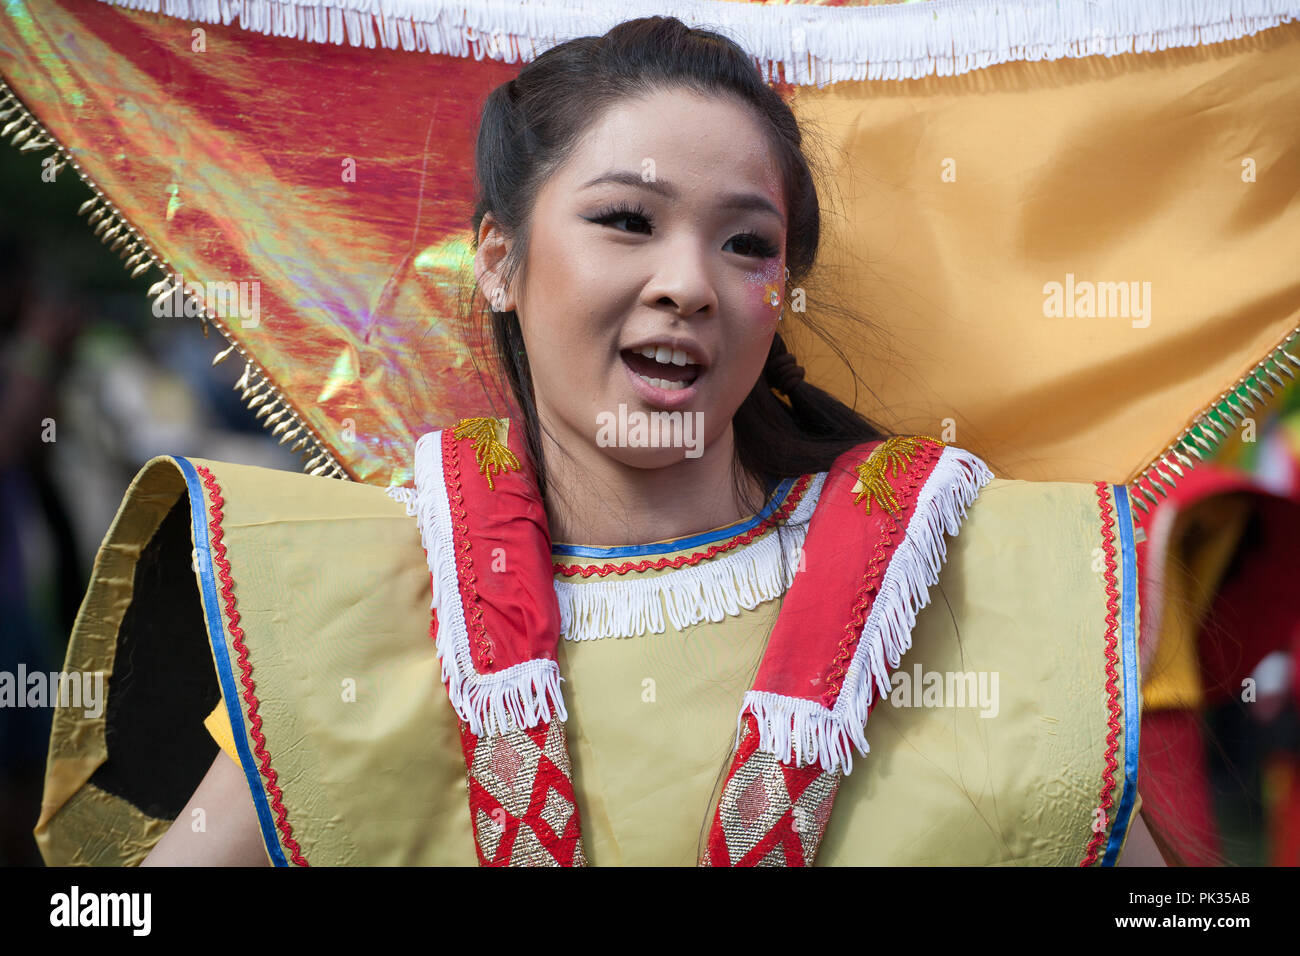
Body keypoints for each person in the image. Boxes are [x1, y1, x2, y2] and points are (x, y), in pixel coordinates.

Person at [35, 16, 1162, 866]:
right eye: (627, 220)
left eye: (746, 243)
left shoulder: (973, 572)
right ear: (499, 262)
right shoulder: (356, 601)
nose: (688, 284)